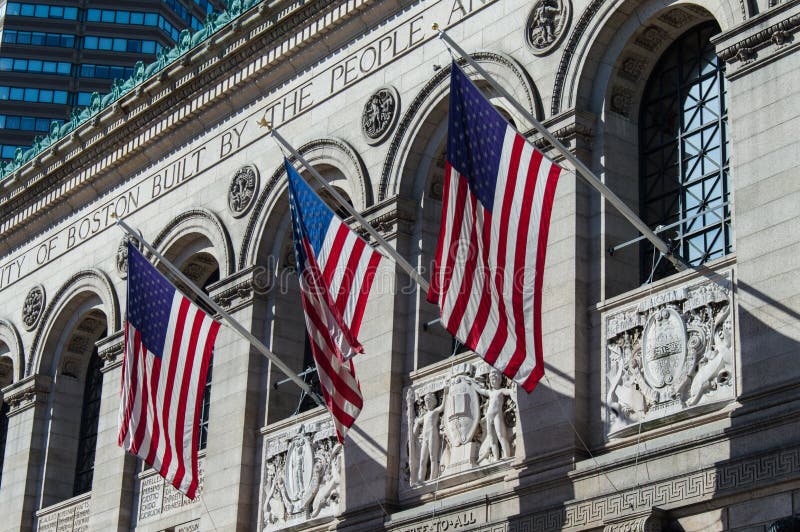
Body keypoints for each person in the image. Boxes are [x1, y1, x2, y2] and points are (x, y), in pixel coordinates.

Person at [476, 370, 513, 462]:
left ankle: (507, 455)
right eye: (491, 379)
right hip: (489, 416)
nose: (493, 381)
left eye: (494, 379)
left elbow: (510, 391)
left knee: (501, 435)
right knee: (492, 438)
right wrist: (470, 381)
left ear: (499, 379)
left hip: (497, 415)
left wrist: (514, 393)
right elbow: (480, 390)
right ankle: (496, 458)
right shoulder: (490, 392)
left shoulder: (501, 391)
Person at [413, 390, 446, 481]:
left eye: (429, 401)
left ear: (433, 402)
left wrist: (446, 393)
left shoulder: (435, 411)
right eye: (426, 401)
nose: (427, 403)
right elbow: (417, 422)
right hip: (425, 437)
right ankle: (420, 480)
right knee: (423, 460)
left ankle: (433, 478)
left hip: (432, 434)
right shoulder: (425, 415)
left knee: (433, 457)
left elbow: (443, 407)